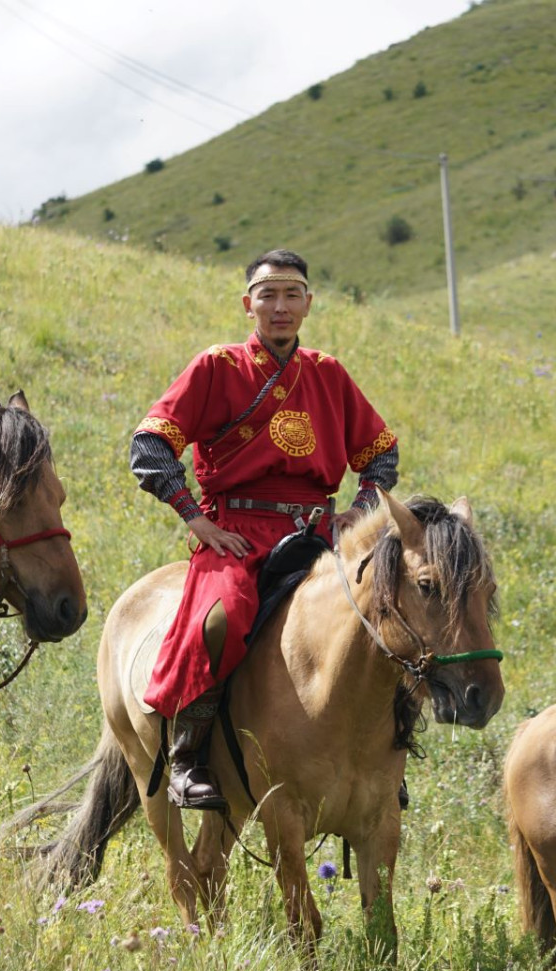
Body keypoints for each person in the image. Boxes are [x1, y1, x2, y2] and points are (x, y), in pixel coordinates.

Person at [130, 248, 398, 810]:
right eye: (268, 294)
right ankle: (189, 752)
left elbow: (380, 453)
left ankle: (385, 760)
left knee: (387, 613)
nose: (280, 306)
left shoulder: (328, 374)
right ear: (248, 303)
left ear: (308, 303)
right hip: (237, 530)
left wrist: (362, 508)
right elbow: (150, 445)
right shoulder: (215, 367)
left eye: (292, 293)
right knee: (221, 619)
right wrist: (196, 519)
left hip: (320, 532)